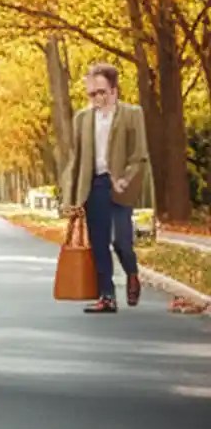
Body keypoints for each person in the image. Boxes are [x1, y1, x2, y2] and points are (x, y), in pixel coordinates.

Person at [60, 63, 149, 313]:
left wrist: (125, 178)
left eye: (101, 92)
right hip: (95, 185)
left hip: (121, 185)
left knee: (121, 240)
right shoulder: (82, 119)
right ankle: (107, 295)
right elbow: (75, 160)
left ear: (113, 90)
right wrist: (70, 197)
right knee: (99, 243)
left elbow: (139, 154)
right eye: (92, 93)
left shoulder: (132, 114)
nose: (97, 98)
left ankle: (132, 273)